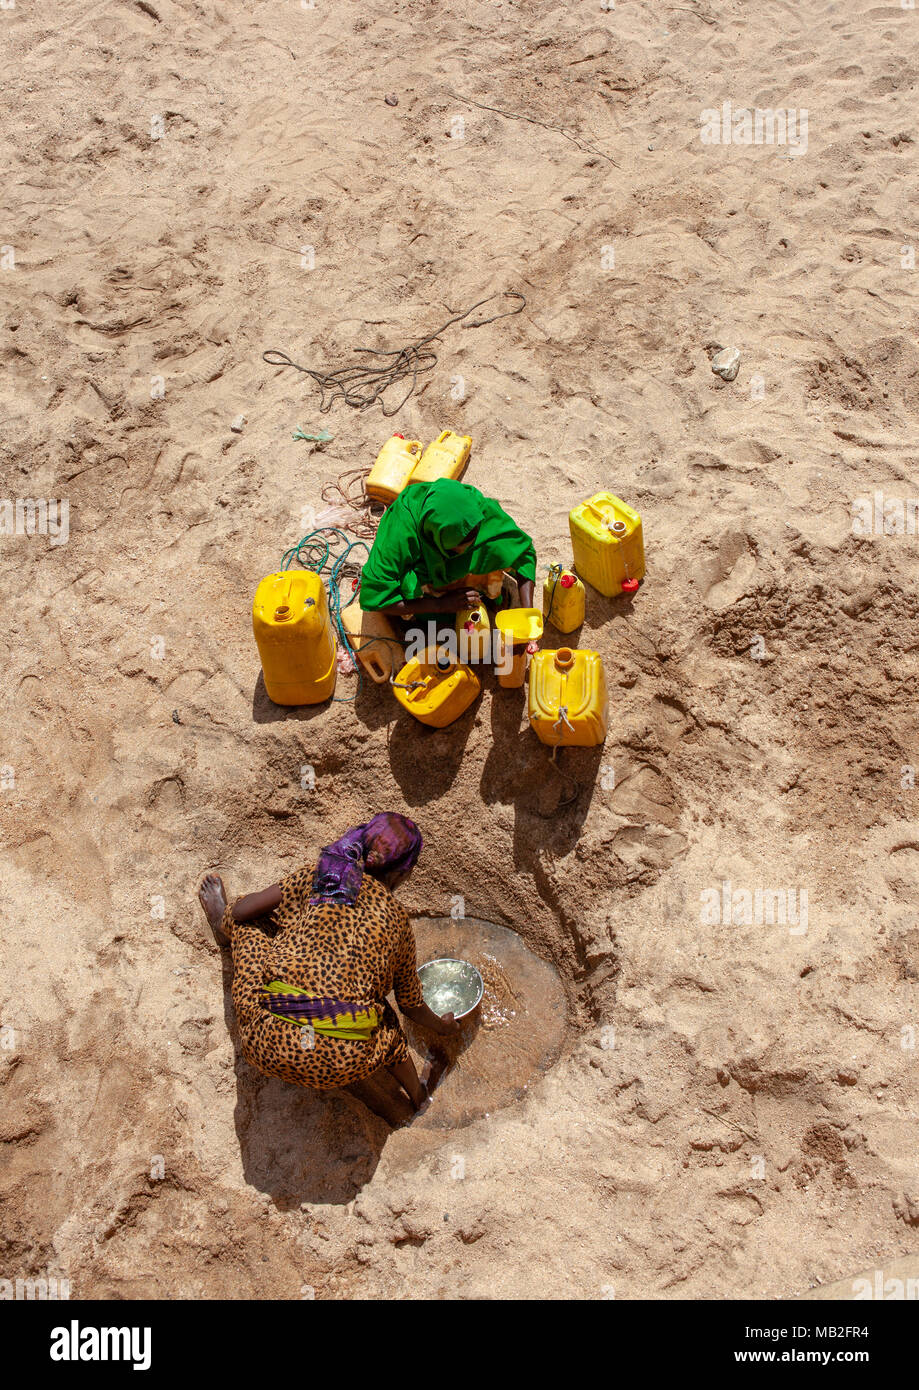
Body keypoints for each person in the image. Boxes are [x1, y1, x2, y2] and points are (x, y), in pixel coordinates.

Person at [197, 813, 459, 1120]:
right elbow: (410, 1006)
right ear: (404, 874)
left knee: (250, 924)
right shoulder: (399, 922)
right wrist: (443, 1026)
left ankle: (221, 925)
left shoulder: (323, 877)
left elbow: (244, 911)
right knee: (386, 1022)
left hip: (267, 1042)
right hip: (345, 1063)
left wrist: (233, 912)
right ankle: (418, 1095)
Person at [358, 477, 537, 618]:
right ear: (437, 538)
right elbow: (375, 597)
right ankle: (429, 614)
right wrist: (440, 605)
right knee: (407, 588)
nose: (471, 546)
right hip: (427, 575)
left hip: (445, 558)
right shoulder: (399, 534)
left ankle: (486, 593)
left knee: (491, 547)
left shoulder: (474, 508)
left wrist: (527, 614)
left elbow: (523, 553)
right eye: (461, 546)